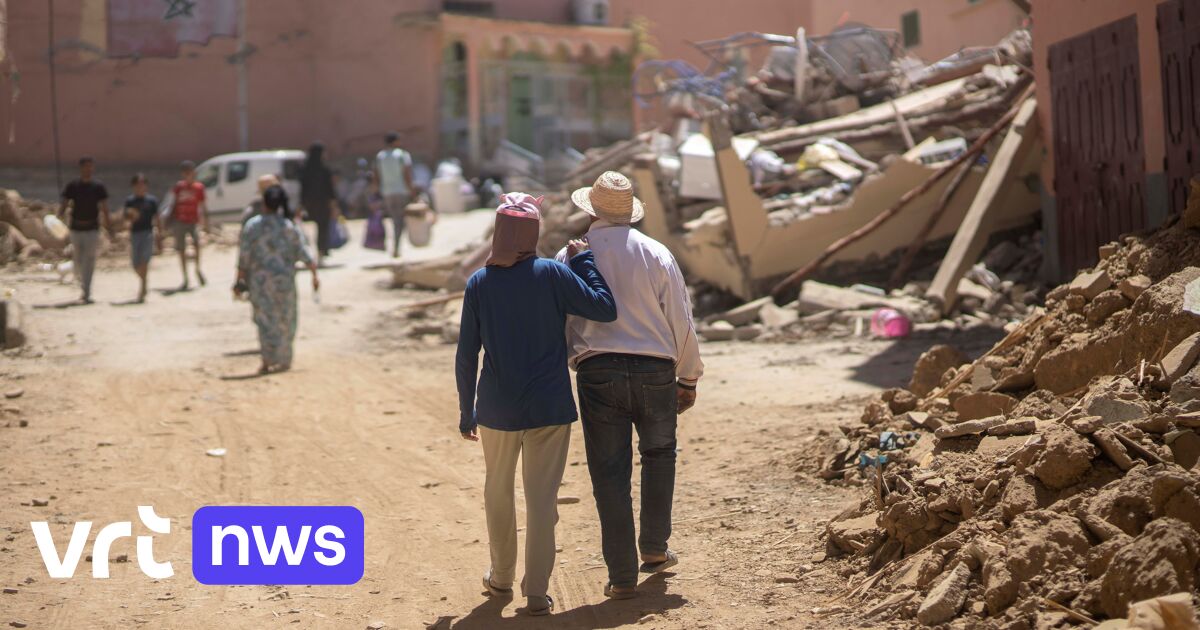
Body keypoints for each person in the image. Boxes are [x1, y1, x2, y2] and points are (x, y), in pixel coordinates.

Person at [455, 193, 617, 617]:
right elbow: (604, 308)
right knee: (542, 501)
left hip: (495, 408)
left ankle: (501, 577)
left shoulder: (479, 283)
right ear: (533, 232)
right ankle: (538, 592)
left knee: (497, 492)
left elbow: (466, 354)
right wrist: (583, 263)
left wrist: (464, 410)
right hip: (549, 407)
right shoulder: (550, 274)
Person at [555, 171, 704, 600]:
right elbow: (681, 319)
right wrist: (688, 376)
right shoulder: (655, 252)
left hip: (597, 371)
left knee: (609, 472)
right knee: (660, 455)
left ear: (591, 210)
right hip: (655, 370)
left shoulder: (571, 256)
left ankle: (621, 576)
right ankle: (655, 548)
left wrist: (573, 360)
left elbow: (562, 320)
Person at [235, 185, 319, 374]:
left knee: (264, 320)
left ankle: (267, 359)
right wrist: (314, 274)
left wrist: (239, 281)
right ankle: (284, 358)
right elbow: (305, 254)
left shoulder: (252, 226)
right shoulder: (289, 227)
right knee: (286, 319)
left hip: (260, 283)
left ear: (264, 203)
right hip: (285, 283)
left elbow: (243, 258)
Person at [58, 157, 110, 303]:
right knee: (78, 260)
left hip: (92, 228)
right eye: (85, 167)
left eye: (90, 167)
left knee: (90, 259)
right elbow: (65, 203)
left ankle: (86, 291)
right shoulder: (73, 186)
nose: (88, 169)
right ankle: (81, 282)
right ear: (80, 168)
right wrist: (57, 218)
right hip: (76, 228)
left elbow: (104, 208)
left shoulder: (98, 187)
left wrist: (109, 224)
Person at [122, 173, 163, 303]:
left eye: (142, 184)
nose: (140, 187)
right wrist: (131, 217)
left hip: (147, 233)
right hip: (135, 234)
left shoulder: (152, 201)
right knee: (135, 264)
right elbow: (126, 218)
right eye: (137, 185)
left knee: (144, 260)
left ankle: (142, 288)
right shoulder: (130, 201)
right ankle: (144, 280)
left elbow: (157, 218)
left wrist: (160, 235)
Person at [374, 132, 415, 258]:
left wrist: (377, 191)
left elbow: (376, 175)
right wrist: (411, 190)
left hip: (386, 192)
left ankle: (394, 245)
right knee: (399, 220)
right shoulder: (402, 155)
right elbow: (407, 174)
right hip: (401, 191)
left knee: (394, 219)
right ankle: (396, 247)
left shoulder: (380, 156)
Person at [170, 160, 209, 290]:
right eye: (185, 172)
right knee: (181, 249)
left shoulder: (199, 188)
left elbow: (203, 206)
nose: (188, 175)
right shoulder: (179, 187)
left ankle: (198, 269)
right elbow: (173, 204)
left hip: (193, 221)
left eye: (190, 172)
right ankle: (185, 277)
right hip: (180, 221)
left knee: (197, 245)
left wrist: (206, 222)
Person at [299, 142, 337, 265]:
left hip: (309, 204)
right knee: (322, 228)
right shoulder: (324, 170)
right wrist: (333, 205)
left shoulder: (305, 169)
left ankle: (311, 254)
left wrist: (302, 204)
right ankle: (320, 253)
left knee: (309, 228)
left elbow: (303, 189)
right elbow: (330, 189)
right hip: (322, 203)